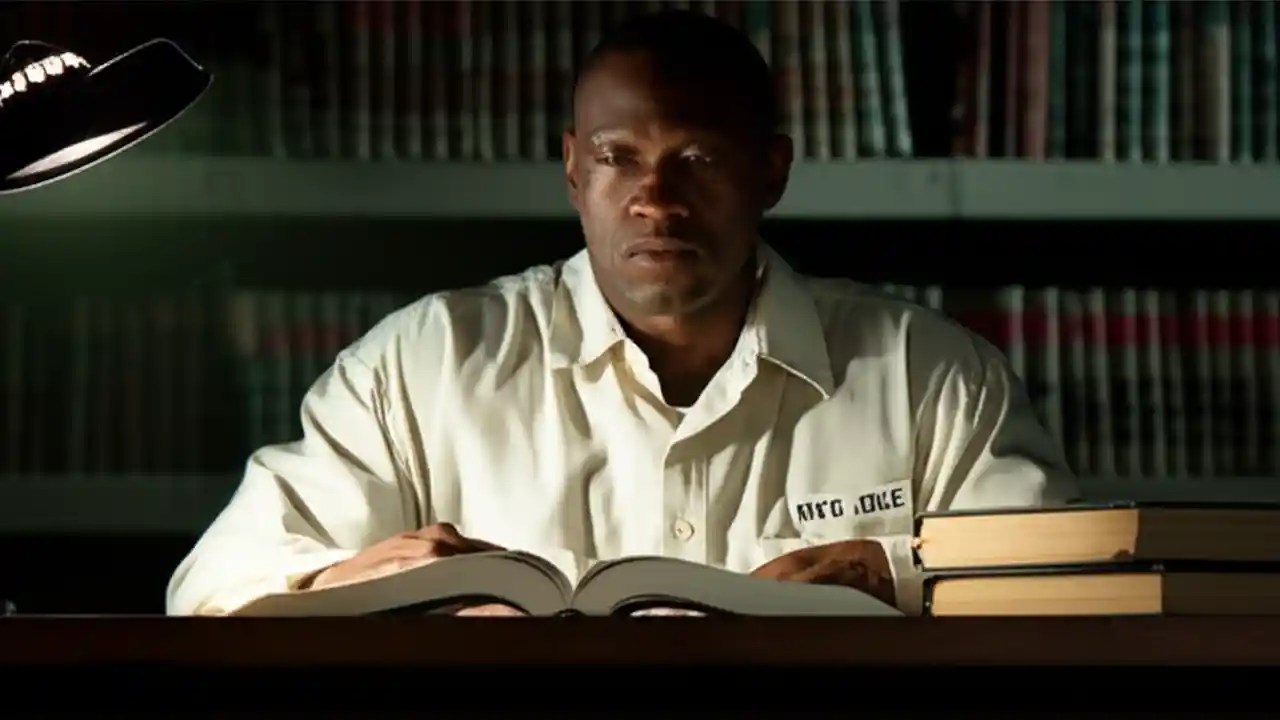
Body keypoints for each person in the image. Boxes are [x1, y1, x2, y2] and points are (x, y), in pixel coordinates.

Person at [166, 9, 1077, 618]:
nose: (656, 199)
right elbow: (211, 589)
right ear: (573, 169)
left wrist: (899, 573)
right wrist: (350, 582)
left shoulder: (931, 378)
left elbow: (1078, 588)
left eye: (699, 160)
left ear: (772, 172)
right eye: (617, 158)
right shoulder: (420, 365)